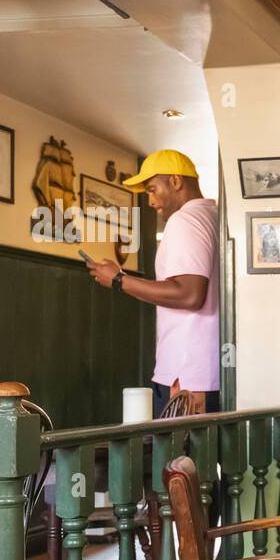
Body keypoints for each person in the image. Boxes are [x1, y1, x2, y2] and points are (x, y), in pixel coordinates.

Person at [85, 149, 220, 416]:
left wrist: (119, 281)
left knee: (180, 458)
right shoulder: (213, 216)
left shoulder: (185, 220)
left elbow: (190, 294)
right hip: (205, 372)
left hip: (186, 377)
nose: (150, 200)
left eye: (152, 189)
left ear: (175, 181)